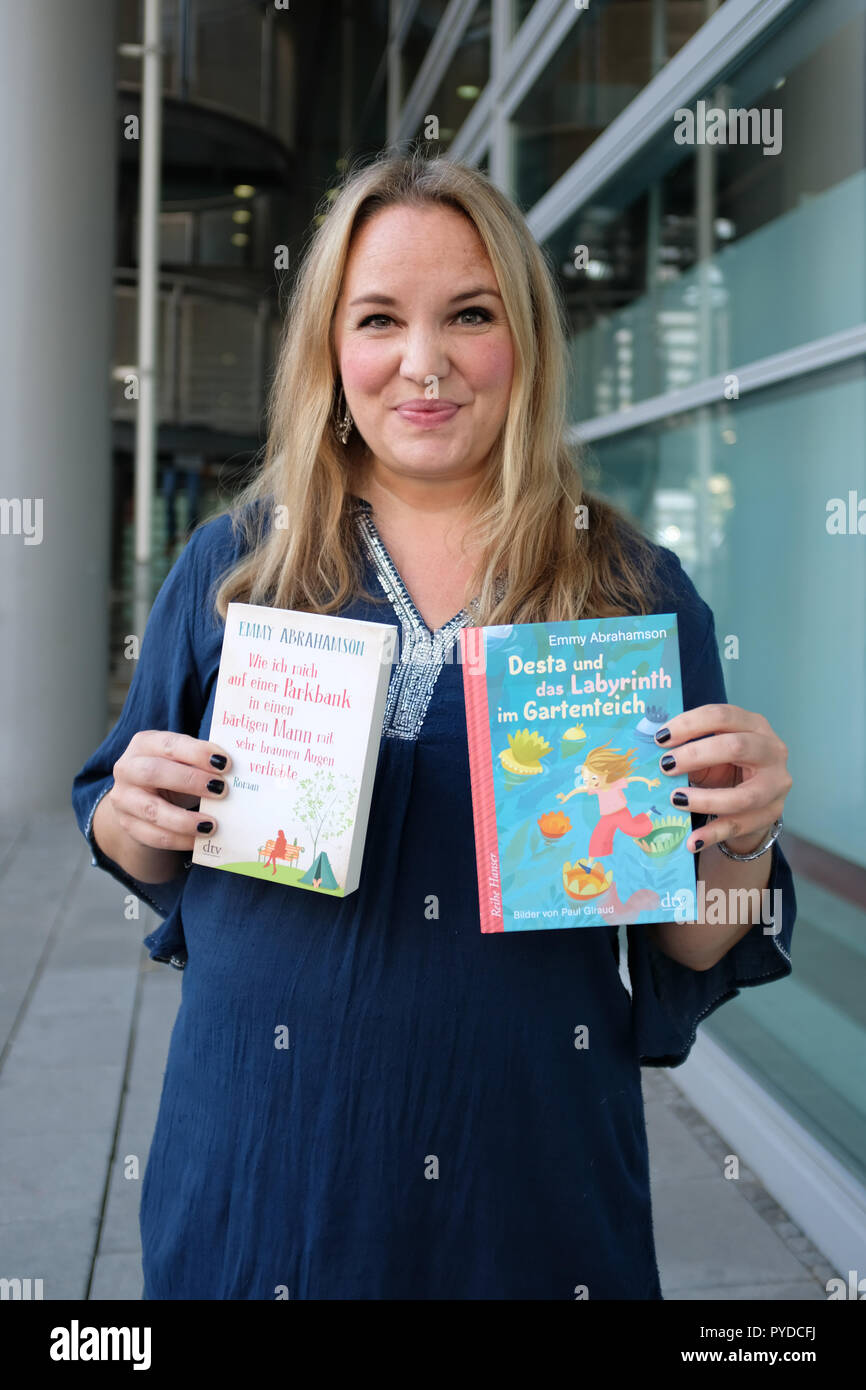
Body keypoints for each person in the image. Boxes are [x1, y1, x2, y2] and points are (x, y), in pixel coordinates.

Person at [72, 154, 795, 1300]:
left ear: (527, 340)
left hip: (525, 1188)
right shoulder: (235, 567)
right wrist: (132, 807)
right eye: (377, 319)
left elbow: (687, 943)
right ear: (329, 347)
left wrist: (743, 839)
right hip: (264, 1174)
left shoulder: (629, 590)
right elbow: (140, 847)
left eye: (469, 313)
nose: (424, 363)